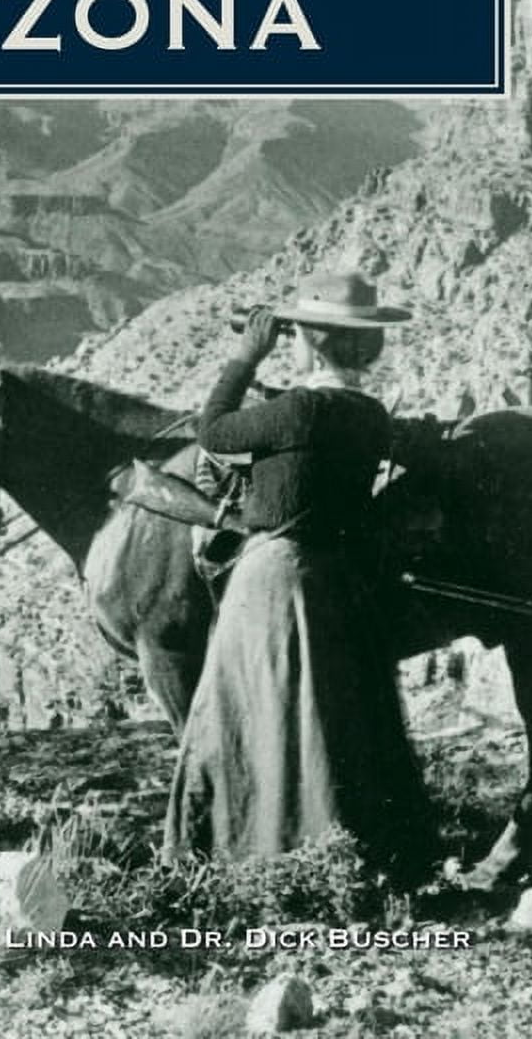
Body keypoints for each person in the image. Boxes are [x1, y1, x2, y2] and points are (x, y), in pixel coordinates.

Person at [163, 270, 435, 874]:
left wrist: (244, 356)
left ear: (310, 341)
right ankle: (344, 856)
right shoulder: (367, 414)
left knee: (248, 712)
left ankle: (252, 852)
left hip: (273, 581)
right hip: (339, 585)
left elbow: (212, 432)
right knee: (333, 723)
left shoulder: (298, 410)